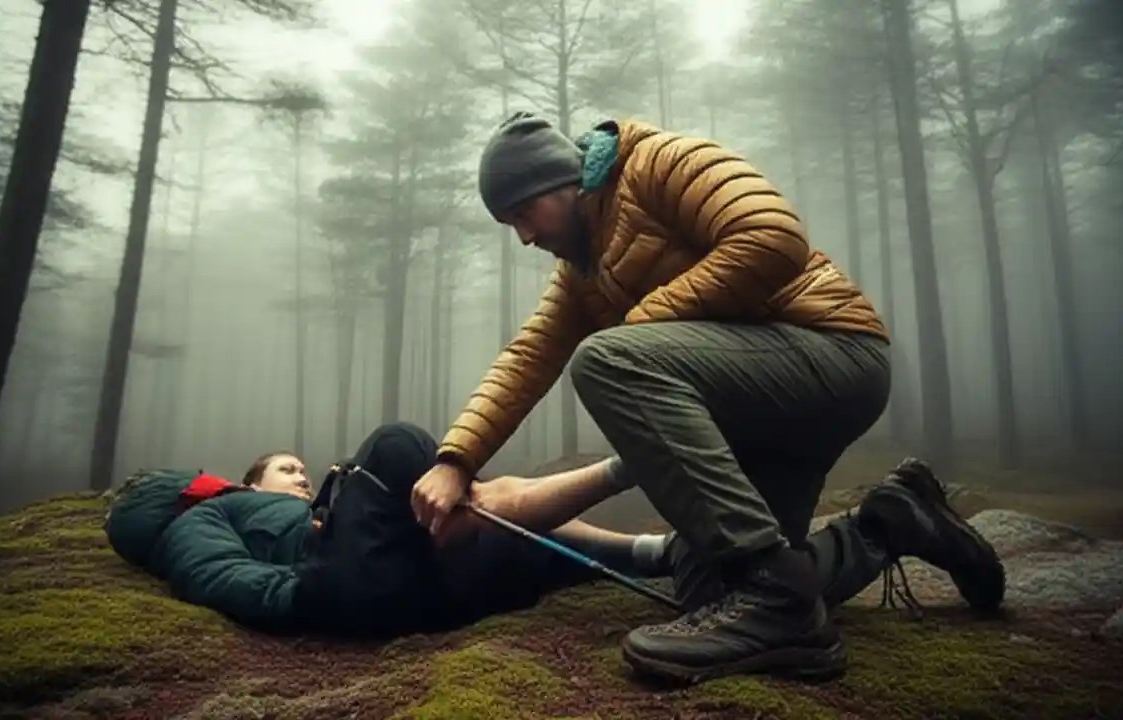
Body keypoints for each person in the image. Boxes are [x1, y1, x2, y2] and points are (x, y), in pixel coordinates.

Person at [410, 113, 1006, 683]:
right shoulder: (582, 271)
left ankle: (781, 601)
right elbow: (528, 358)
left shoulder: (657, 164)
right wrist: (454, 462)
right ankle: (889, 525)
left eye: (524, 212)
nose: (525, 236)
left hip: (835, 354)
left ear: (561, 180)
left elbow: (774, 237)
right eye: (509, 223)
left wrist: (640, 326)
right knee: (711, 594)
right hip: (760, 413)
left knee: (608, 359)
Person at [146, 422, 678, 638]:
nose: (302, 474)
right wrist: (304, 595)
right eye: (286, 470)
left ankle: (659, 554)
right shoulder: (214, 510)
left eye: (302, 469)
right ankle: (626, 468)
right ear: (251, 485)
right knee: (395, 445)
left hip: (423, 587)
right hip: (343, 588)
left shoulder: (334, 514)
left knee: (493, 530)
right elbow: (209, 570)